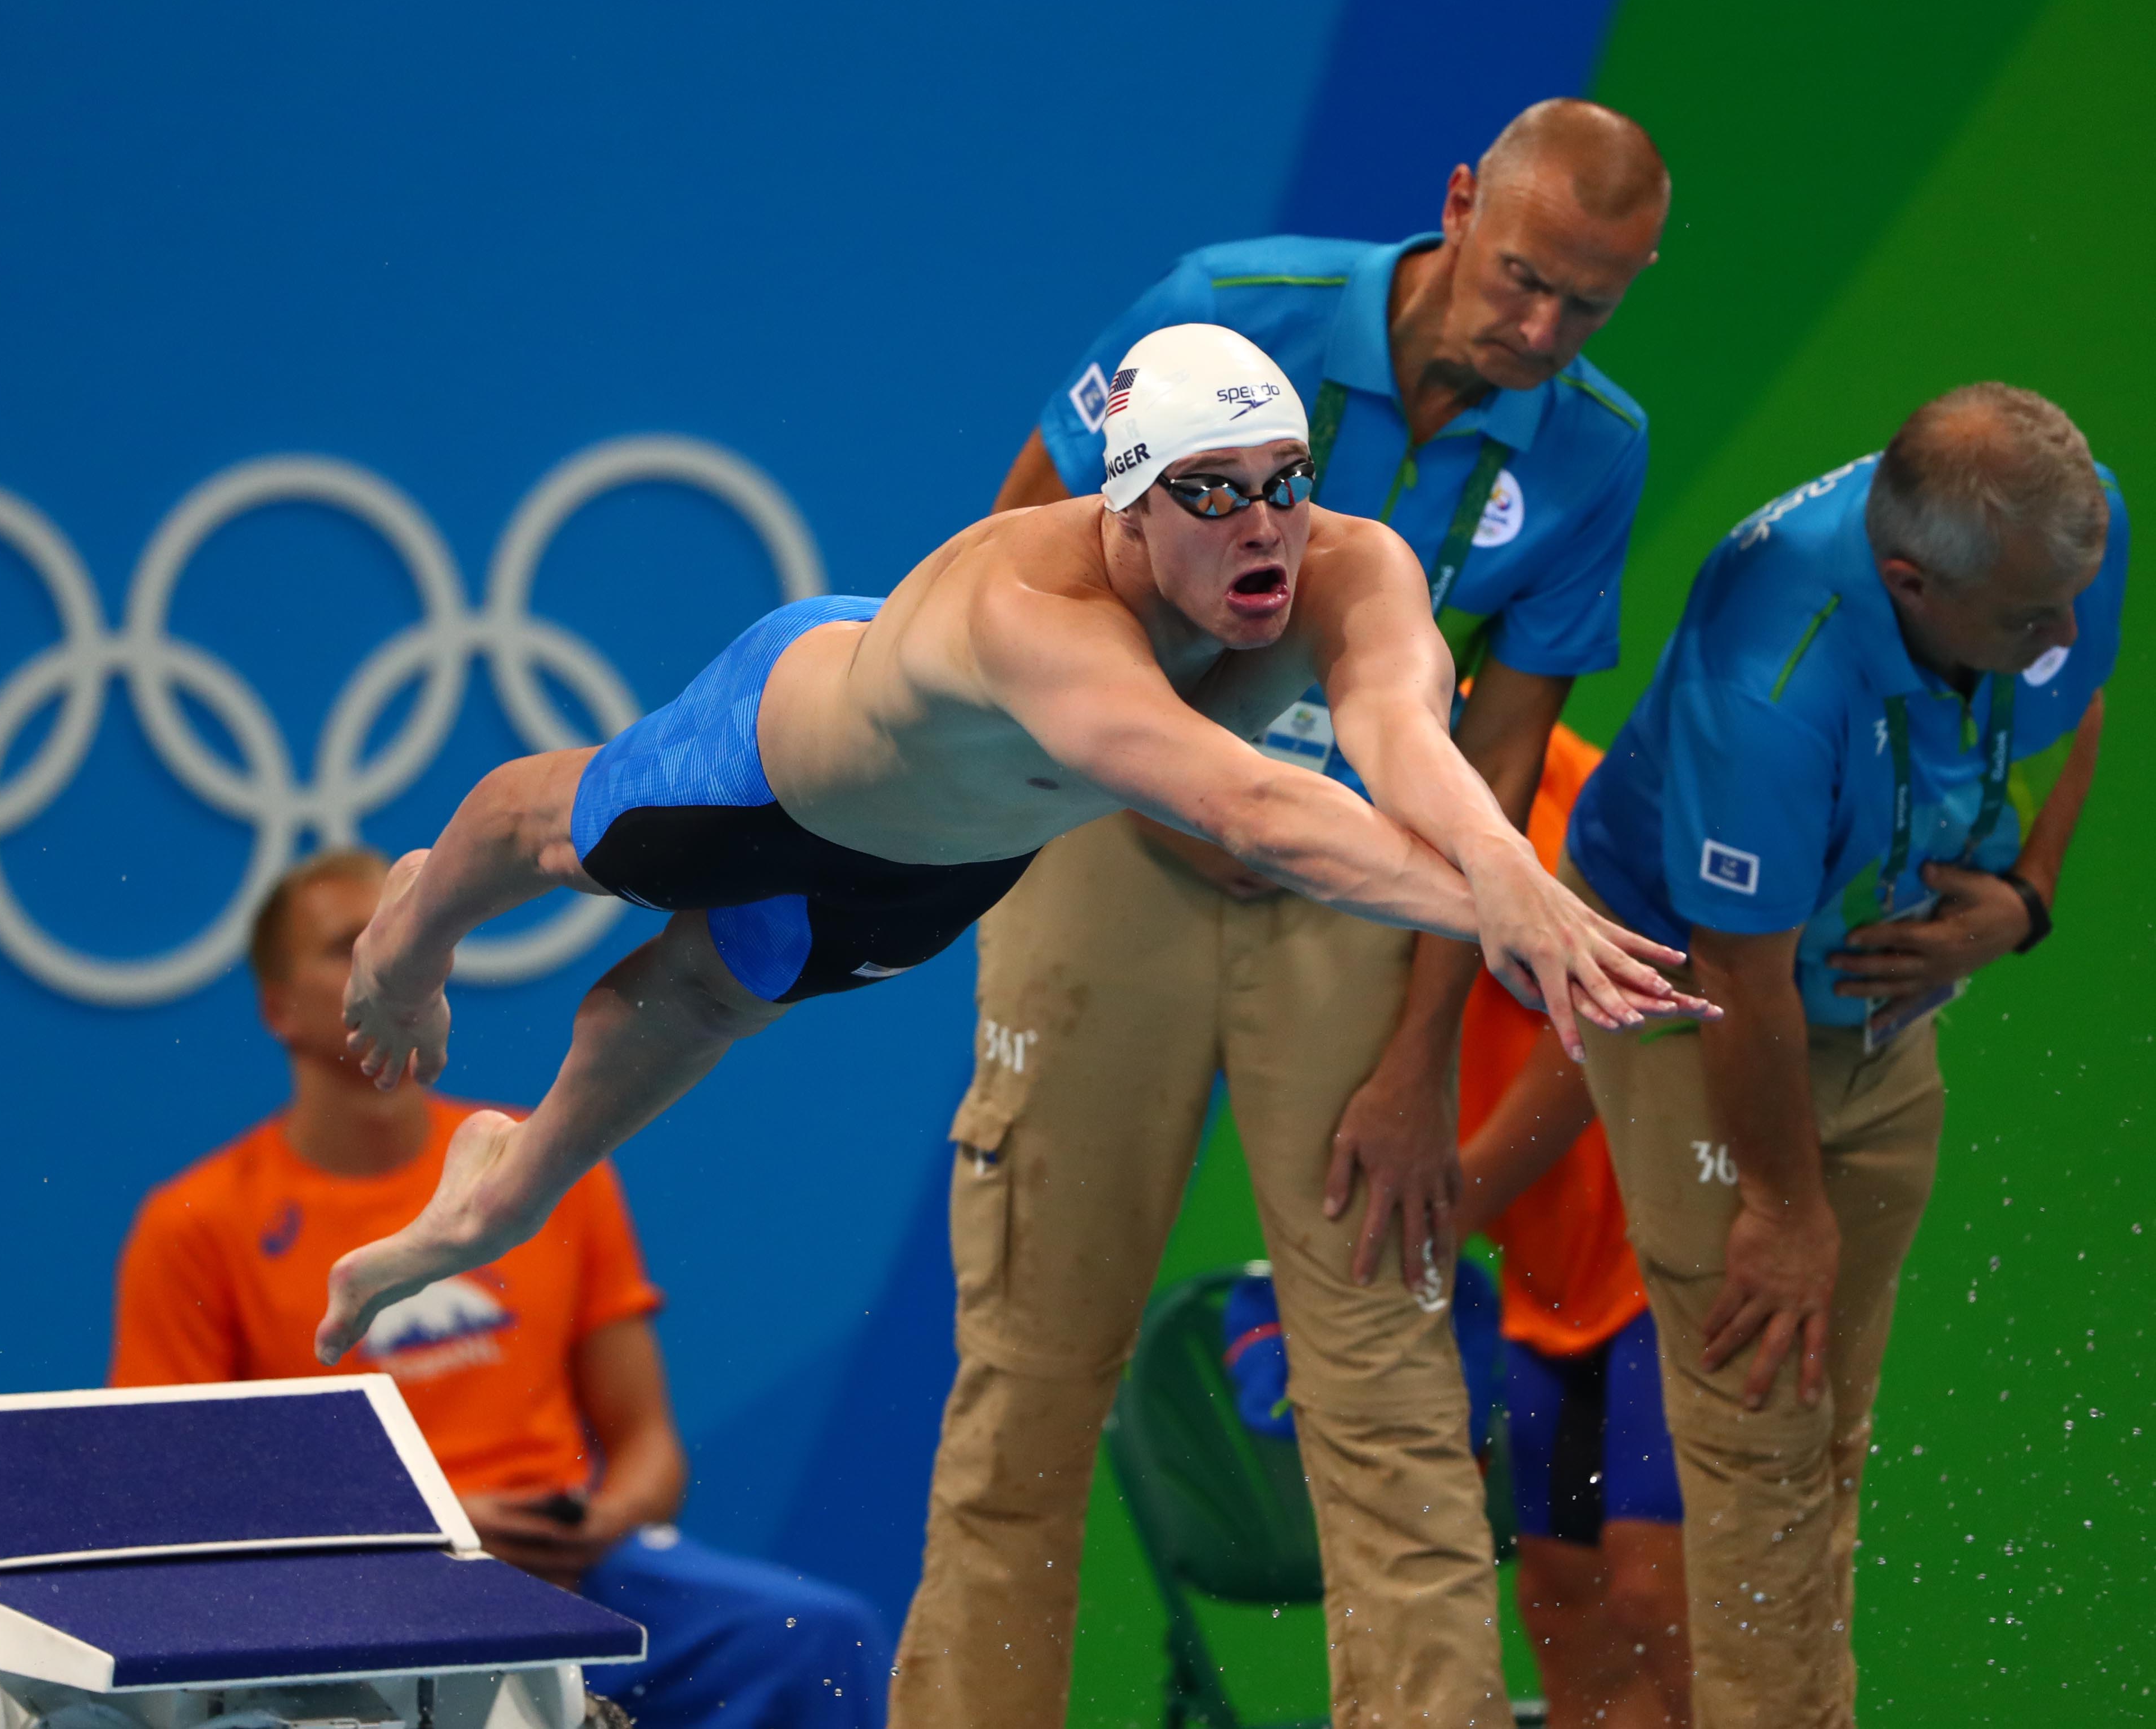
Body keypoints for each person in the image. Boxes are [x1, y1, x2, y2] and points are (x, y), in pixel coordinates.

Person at [314, 318, 1709, 1370]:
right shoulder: (1039, 618)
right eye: (1214, 493)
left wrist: (1516, 880)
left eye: (1287, 480)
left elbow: (1410, 745)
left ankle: (492, 1204)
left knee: (692, 1001)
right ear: (1131, 503)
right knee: (573, 833)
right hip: (783, 760)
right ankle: (410, 926)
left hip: (951, 857)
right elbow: (1263, 812)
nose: (1267, 524)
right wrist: (1502, 912)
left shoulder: (1352, 565)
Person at [891, 99, 1673, 1728]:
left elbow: (1500, 753)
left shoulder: (1593, 448)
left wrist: (1416, 1062)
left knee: (1388, 1393)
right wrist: (1072, 782)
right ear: (1458, 201)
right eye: (1518, 276)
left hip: (1352, 903)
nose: (1536, 330)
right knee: (1029, 1379)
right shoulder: (1222, 306)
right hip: (1112, 849)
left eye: (1584, 305)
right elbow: (1006, 550)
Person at [1563, 383, 2123, 1727]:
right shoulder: (1766, 681)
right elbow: (1737, 971)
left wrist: (2026, 902)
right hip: (1693, 994)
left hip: (1878, 989)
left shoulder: (2061, 543)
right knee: (1761, 1437)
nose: (2061, 635)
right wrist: (1779, 1202)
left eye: (2071, 602)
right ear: (1910, 583)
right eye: (2025, 622)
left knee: (1829, 1434)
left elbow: (2078, 692)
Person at [110, 848, 890, 1729]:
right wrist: (425, 1529)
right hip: (362, 1589)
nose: (384, 952)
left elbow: (647, 1449)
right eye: (345, 943)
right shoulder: (196, 1223)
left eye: (402, 927)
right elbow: (170, 1504)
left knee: (815, 1636)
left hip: (581, 1577)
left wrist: (599, 1522)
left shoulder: (544, 1158)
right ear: (277, 1006)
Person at [1452, 722, 1689, 1729]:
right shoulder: (1321, 777)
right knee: (1557, 1588)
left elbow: (1604, 1028)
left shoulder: (1562, 783)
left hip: (1655, 1260)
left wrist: (1444, 1207)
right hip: (1538, 1282)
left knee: (1658, 1589)